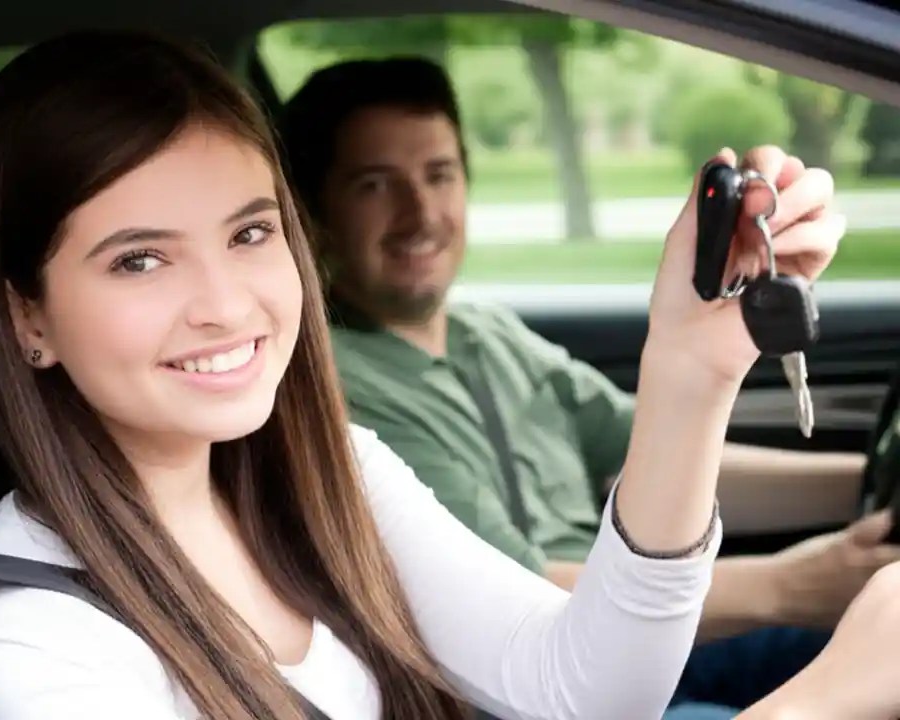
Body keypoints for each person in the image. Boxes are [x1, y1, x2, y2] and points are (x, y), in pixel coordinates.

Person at [0, 30, 886, 720]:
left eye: (248, 233)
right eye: (140, 258)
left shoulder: (329, 472)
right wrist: (818, 704)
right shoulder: (24, 644)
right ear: (24, 316)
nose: (226, 302)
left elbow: (580, 689)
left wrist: (691, 363)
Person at [278, 57, 900, 714]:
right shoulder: (336, 392)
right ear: (314, 211)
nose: (420, 213)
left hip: (652, 635)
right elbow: (525, 605)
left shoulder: (488, 335)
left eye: (439, 175)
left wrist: (864, 477)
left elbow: (654, 456)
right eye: (375, 185)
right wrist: (791, 586)